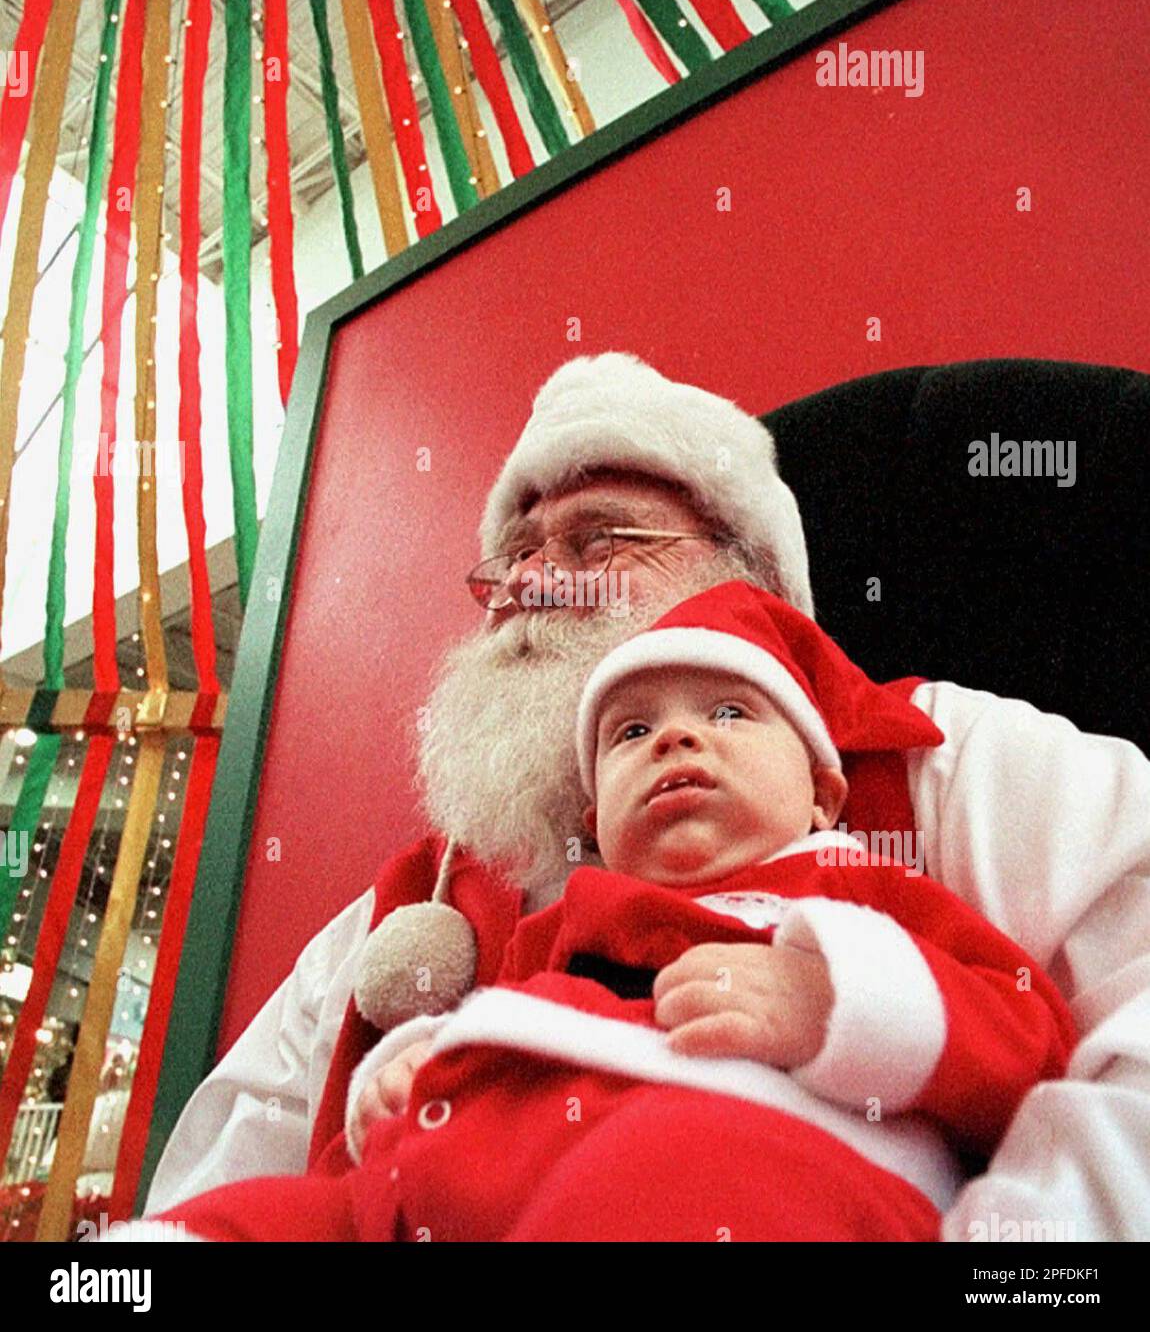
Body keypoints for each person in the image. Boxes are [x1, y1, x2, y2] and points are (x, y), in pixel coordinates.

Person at [140, 352, 1150, 1241]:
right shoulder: (415, 906)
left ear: (747, 584)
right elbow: (232, 1166)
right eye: (516, 554)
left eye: (596, 540)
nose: (536, 578)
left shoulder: (942, 754)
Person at [117, 582, 1076, 1241]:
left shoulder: (862, 884)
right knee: (281, 1216)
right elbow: (531, 1027)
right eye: (631, 731)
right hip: (487, 1170)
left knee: (662, 1174)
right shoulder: (548, 917)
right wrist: (431, 1073)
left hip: (748, 1160)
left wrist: (837, 1007)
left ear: (824, 795)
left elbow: (1031, 1031)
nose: (679, 737)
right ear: (595, 823)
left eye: (730, 713)